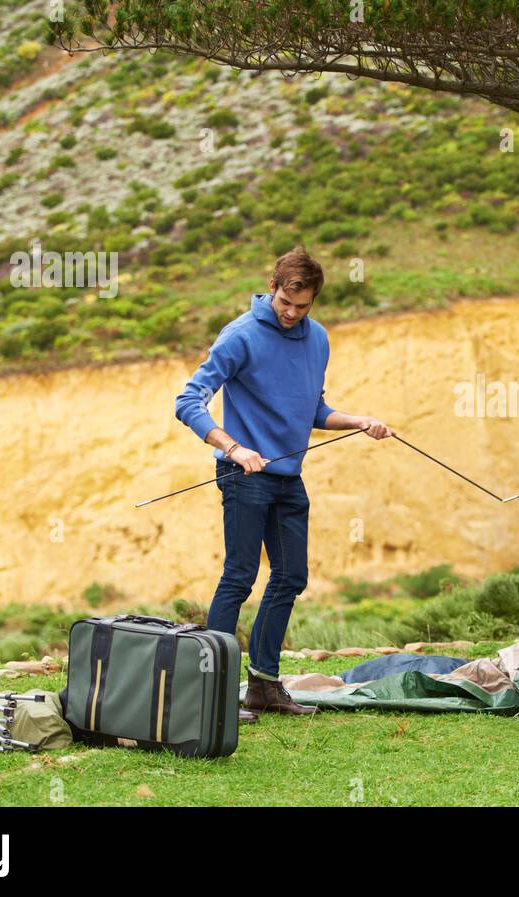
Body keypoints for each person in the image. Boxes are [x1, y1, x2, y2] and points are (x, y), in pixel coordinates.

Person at [175, 246, 393, 718]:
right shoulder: (240, 335)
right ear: (272, 287)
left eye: (303, 305)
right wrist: (233, 447)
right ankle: (211, 694)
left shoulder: (318, 339)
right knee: (239, 576)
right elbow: (188, 401)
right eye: (286, 303)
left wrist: (359, 421)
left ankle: (265, 685)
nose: (293, 313)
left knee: (292, 576)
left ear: (314, 300)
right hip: (243, 473)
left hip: (287, 478)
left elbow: (314, 409)